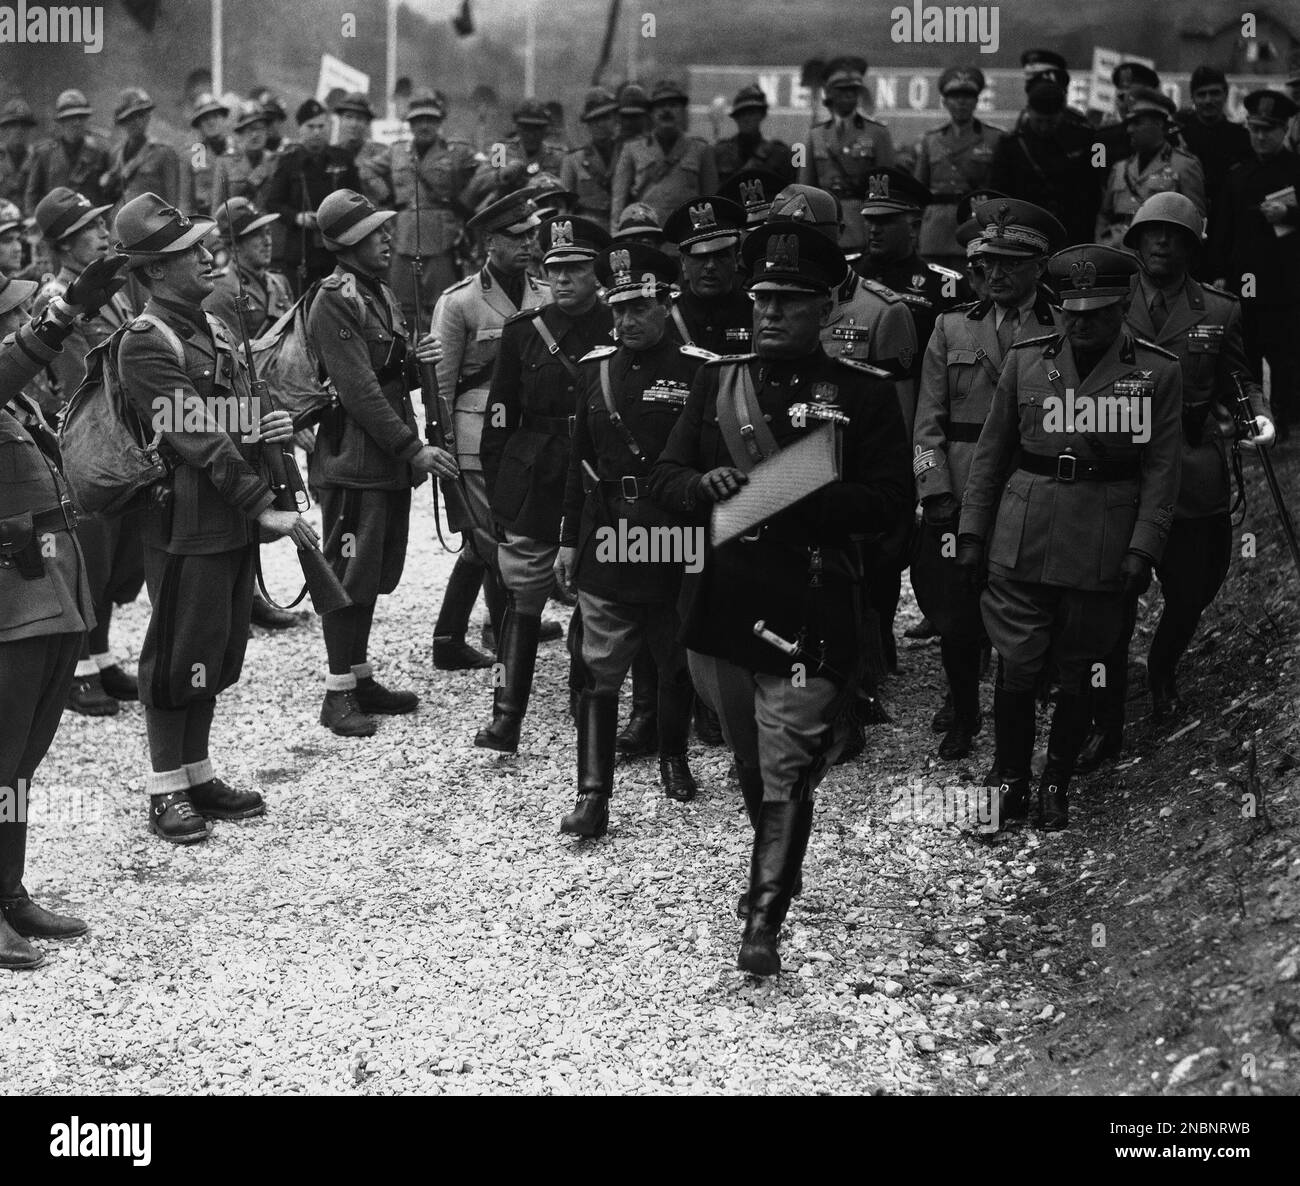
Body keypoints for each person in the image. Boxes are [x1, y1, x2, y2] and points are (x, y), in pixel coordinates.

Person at [649, 220, 911, 975]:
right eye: (764, 298)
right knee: (751, 761)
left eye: (791, 302)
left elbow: (891, 501)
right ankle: (776, 861)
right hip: (722, 602)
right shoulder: (715, 381)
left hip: (811, 600)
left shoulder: (863, 395)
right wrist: (704, 486)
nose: (770, 313)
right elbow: (666, 480)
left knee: (790, 759)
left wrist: (787, 496)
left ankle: (763, 921)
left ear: (826, 308)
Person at [955, 244, 1182, 833]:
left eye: (1097, 313)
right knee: (1018, 665)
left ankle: (1056, 780)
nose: (1081, 323)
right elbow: (991, 454)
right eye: (1073, 312)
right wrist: (973, 531)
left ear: (1123, 305)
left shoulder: (1157, 372)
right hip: (1024, 531)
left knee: (1082, 667)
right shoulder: (1028, 360)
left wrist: (1143, 549)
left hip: (1102, 539)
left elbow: (1162, 472)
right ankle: (1010, 782)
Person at [113, 192, 316, 843]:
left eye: (201, 244)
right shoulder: (145, 343)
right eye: (185, 252)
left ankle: (197, 772)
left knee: (218, 648)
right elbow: (189, 428)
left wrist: (269, 425)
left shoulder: (215, 327)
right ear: (151, 272)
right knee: (175, 652)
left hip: (226, 514)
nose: (206, 255)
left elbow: (230, 414)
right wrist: (263, 502)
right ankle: (164, 789)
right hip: (185, 520)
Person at [1076, 194, 1273, 772]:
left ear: (1192, 246)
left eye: (1175, 236)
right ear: (1134, 243)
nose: (1161, 244)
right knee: (1110, 599)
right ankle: (1104, 721)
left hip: (1190, 470)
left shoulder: (1220, 310)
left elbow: (1241, 381)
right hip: (1118, 467)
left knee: (1192, 590)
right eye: (1151, 234)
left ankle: (1162, 669)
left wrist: (1255, 416)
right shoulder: (1105, 301)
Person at [0, 251, 129, 968]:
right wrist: (60, 317)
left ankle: (10, 893)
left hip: (45, 596)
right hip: (9, 604)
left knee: (20, 765)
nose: (23, 317)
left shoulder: (14, 403)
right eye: (13, 312)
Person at [554, 243, 705, 833]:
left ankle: (674, 759)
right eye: (619, 310)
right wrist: (569, 538)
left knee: (672, 657)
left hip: (673, 534)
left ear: (666, 303)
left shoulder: (700, 369)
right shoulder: (594, 369)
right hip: (610, 531)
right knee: (599, 665)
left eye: (640, 308)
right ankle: (592, 795)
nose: (626, 321)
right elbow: (578, 462)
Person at [911, 198, 1065, 760]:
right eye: (988, 262)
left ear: (1038, 266)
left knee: (1024, 602)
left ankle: (1021, 699)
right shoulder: (951, 327)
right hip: (958, 481)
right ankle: (963, 709)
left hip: (1025, 488)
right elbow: (926, 423)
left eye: (1011, 263)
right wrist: (934, 492)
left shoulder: (1061, 326)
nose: (996, 274)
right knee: (953, 607)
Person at [305, 190, 450, 736]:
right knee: (347, 576)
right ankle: (337, 692)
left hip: (382, 460)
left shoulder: (378, 292)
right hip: (354, 460)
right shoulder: (333, 299)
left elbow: (386, 372)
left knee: (374, 573)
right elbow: (359, 389)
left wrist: (418, 363)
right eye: (375, 232)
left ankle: (359, 676)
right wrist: (414, 450)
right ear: (346, 242)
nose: (388, 238)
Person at [475, 215, 614, 753]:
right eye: (553, 268)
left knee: (596, 589)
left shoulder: (616, 326)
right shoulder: (524, 332)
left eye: (575, 268)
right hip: (537, 471)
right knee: (523, 593)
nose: (562, 279)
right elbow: (499, 421)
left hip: (594, 472)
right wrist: (501, 491)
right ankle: (506, 715)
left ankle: (587, 703)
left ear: (596, 272)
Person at [429, 190, 554, 670]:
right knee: (493, 542)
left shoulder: (545, 295)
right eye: (516, 236)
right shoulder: (459, 303)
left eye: (532, 235)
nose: (528, 244)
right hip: (476, 437)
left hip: (530, 438)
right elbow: (440, 385)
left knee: (498, 541)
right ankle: (508, 653)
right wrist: (438, 451)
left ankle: (449, 639)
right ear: (490, 244)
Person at [31, 187, 144, 715]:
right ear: (63, 244)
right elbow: (75, 374)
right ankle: (75, 671)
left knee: (119, 558)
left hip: (118, 432)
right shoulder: (55, 299)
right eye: (89, 230)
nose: (103, 232)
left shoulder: (111, 289)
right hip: (83, 439)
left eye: (101, 225)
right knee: (89, 559)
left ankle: (99, 657)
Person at [1205, 90, 1300, 442]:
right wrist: (1217, 271)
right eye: (1255, 129)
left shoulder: (1295, 170)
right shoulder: (1238, 174)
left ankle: (1286, 418)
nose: (1260, 137)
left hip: (1286, 280)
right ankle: (1257, 417)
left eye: (1269, 130)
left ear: (1284, 129)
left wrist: (1290, 213)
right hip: (1244, 278)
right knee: (1248, 352)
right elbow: (1221, 230)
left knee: (1284, 351)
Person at [388, 88, 479, 327]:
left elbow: (489, 169)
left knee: (443, 306)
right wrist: (387, 197)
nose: (424, 126)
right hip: (404, 238)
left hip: (441, 240)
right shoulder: (397, 152)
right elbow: (366, 170)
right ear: (409, 124)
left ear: (439, 122)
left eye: (430, 119)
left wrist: (466, 201)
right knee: (400, 307)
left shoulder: (457, 151)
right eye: (418, 120)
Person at [798, 57, 895, 254]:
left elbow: (888, 185)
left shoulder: (877, 133)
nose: (848, 96)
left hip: (863, 223)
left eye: (853, 91)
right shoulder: (816, 134)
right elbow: (806, 188)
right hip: (826, 222)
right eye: (842, 90)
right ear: (830, 93)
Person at [264, 99, 361, 294]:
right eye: (310, 126)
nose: (316, 132)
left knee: (342, 306)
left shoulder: (342, 159)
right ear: (300, 129)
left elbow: (358, 198)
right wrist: (298, 218)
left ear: (328, 127)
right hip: (301, 251)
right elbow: (273, 202)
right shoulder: (288, 162)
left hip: (338, 250)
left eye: (321, 126)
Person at [911, 67, 1003, 271]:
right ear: (944, 102)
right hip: (935, 228)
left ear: (977, 101)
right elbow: (918, 190)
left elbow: (999, 186)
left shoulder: (994, 138)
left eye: (968, 96)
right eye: (954, 96)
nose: (961, 102)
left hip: (974, 222)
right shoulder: (931, 140)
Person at [990, 81, 1101, 248]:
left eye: (1050, 122)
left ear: (1062, 113)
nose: (1043, 127)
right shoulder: (1010, 145)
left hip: (1072, 232)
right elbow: (997, 190)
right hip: (1025, 232)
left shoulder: (1087, 140)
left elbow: (1096, 185)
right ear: (1028, 111)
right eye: (1038, 121)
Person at [1096, 87, 1206, 248]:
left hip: (1160, 256)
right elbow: (1104, 214)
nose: (1129, 129)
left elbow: (1197, 221)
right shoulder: (1119, 168)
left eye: (1137, 123)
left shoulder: (1185, 166)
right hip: (1116, 255)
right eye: (1128, 123)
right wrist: (1101, 242)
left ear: (1159, 123)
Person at [610, 81, 719, 232]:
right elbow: (618, 202)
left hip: (687, 235)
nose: (667, 111)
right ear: (652, 113)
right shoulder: (632, 149)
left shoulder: (701, 150)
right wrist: (617, 238)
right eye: (660, 106)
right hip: (646, 236)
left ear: (682, 111)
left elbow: (711, 201)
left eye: (673, 106)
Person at [662, 195, 753, 354]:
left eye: (721, 255)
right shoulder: (665, 315)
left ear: (736, 260)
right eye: (700, 257)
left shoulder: (754, 311)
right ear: (683, 262)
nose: (710, 266)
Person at [1176, 66, 1251, 244]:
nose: (1208, 100)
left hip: (1229, 224)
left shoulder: (1242, 138)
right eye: (1201, 95)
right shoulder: (1180, 136)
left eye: (1214, 93)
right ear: (1193, 98)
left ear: (1226, 94)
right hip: (1186, 222)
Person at [464, 101, 567, 212]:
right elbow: (477, 183)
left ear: (545, 129)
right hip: (506, 215)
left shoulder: (557, 157)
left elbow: (568, 192)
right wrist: (500, 175)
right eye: (526, 127)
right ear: (517, 127)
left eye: (537, 128)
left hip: (543, 214)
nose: (531, 134)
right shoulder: (501, 151)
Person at [25, 90, 110, 212]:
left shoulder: (100, 152)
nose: (76, 123)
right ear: (61, 122)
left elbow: (109, 194)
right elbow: (32, 195)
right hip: (56, 224)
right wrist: (35, 222)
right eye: (70, 118)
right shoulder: (45, 154)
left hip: (89, 221)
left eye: (81, 118)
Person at [100, 88, 179, 212]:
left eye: (140, 115)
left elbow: (174, 201)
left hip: (155, 225)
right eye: (129, 118)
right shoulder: (115, 155)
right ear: (121, 122)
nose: (135, 122)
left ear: (147, 117)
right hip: (122, 227)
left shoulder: (164, 153)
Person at [712, 85, 794, 185]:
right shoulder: (720, 152)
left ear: (762, 115)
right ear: (736, 118)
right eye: (741, 114)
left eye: (751, 113)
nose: (746, 118)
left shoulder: (779, 154)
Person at [560, 88, 621, 224]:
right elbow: (564, 207)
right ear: (587, 124)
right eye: (594, 120)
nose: (600, 124)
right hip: (588, 231)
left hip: (622, 228)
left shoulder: (626, 153)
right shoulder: (573, 160)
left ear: (615, 118)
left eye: (605, 118)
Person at [210, 102, 281, 214]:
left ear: (267, 132)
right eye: (249, 129)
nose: (255, 135)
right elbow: (217, 207)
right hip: (235, 228)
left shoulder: (276, 161)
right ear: (240, 134)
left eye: (260, 129)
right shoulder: (225, 162)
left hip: (266, 228)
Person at [332, 92, 393, 208]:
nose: (353, 124)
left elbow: (391, 196)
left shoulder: (382, 153)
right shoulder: (331, 154)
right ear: (340, 120)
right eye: (348, 117)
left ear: (367, 123)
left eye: (359, 119)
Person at [180, 93, 234, 217]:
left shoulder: (238, 151)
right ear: (199, 125)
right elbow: (186, 202)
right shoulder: (193, 155)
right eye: (205, 119)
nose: (211, 122)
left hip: (235, 219)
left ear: (223, 118)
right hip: (206, 220)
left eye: (215, 116)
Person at [0, 99, 37, 211]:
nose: (19, 130)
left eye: (24, 126)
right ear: (4, 129)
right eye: (13, 126)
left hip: (31, 221)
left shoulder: (38, 158)